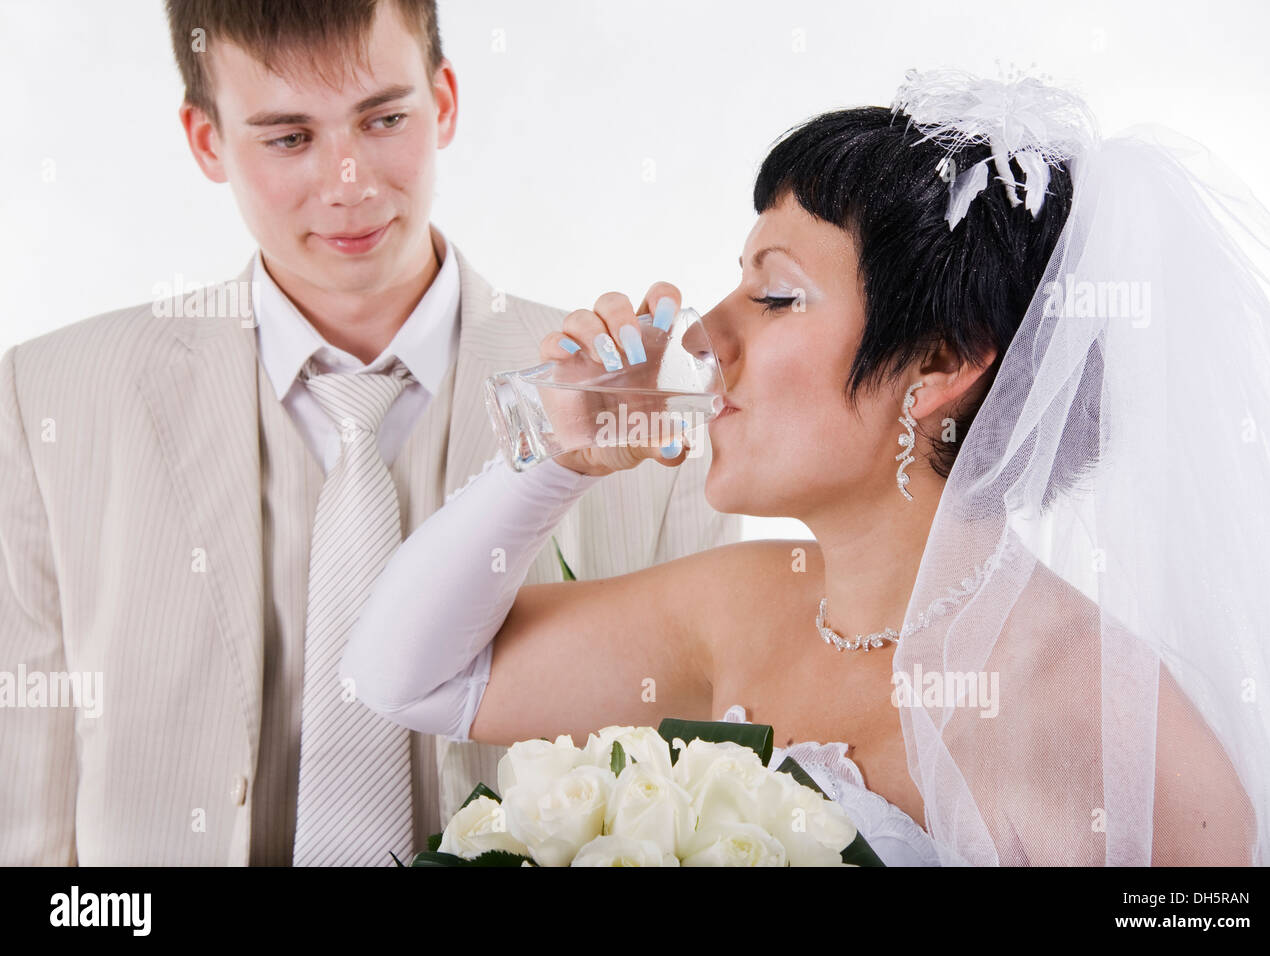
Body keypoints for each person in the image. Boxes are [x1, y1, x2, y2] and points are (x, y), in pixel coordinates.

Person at [343, 68, 1270, 865]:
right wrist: (553, 458)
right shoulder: (749, 602)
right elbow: (408, 680)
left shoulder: (1122, 737)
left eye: (776, 296)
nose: (710, 334)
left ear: (936, 365)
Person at [0, 0, 739, 867]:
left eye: (384, 118)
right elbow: (28, 830)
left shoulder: (650, 411)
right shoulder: (43, 399)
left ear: (446, 101)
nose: (348, 181)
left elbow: (706, 788)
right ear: (206, 141)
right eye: (288, 138)